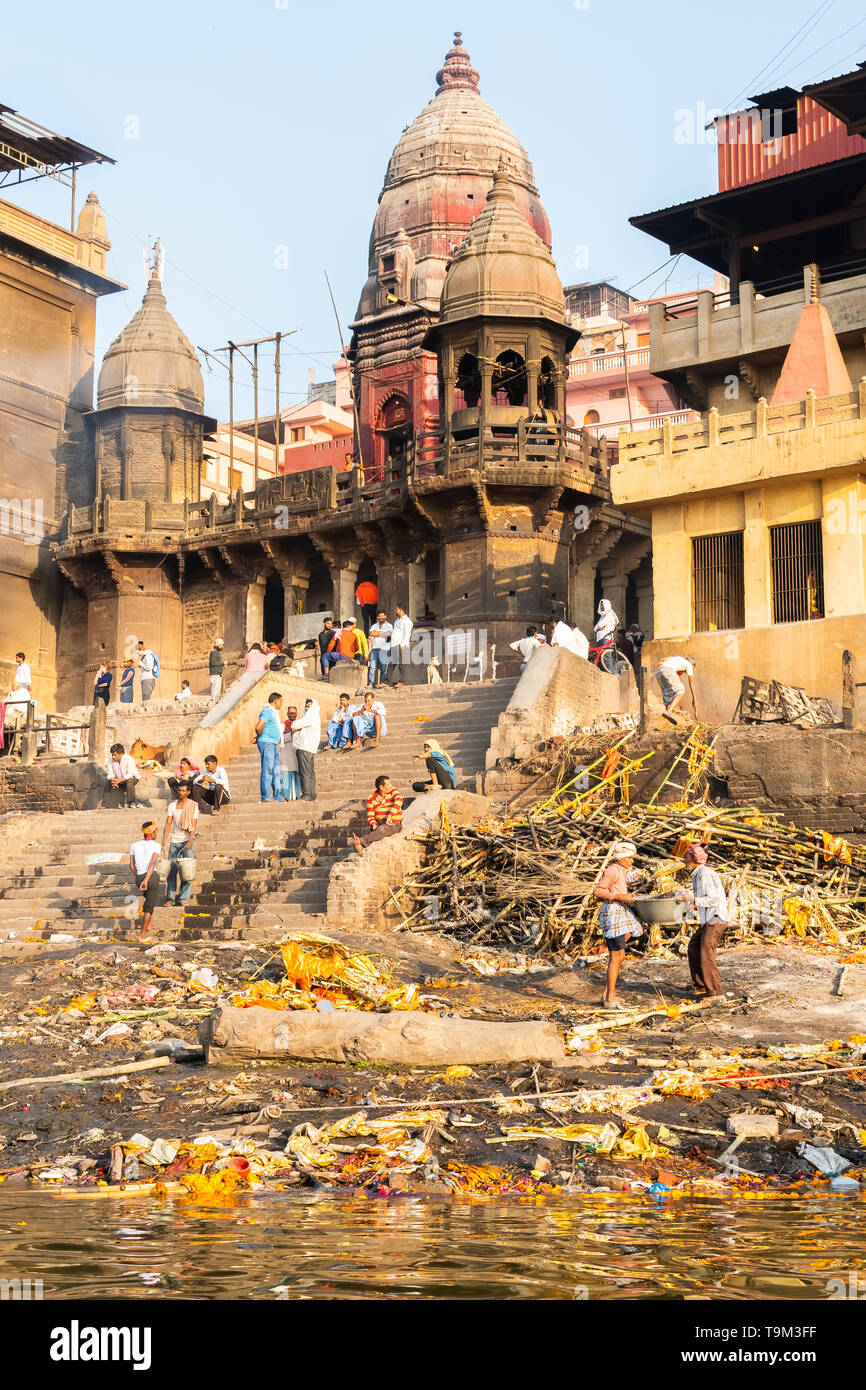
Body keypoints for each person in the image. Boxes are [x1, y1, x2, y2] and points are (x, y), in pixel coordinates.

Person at [592, 840, 644, 1009]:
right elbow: (598, 891)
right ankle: (610, 999)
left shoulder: (621, 871)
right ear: (621, 858)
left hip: (620, 914)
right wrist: (620, 897)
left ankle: (607, 993)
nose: (632, 861)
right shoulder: (612, 870)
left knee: (620, 956)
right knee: (615, 957)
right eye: (629, 858)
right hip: (613, 915)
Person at [678, 843, 729, 1000]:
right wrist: (693, 903)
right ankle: (700, 985)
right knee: (694, 947)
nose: (684, 859)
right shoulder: (697, 874)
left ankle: (715, 992)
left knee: (706, 953)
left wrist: (692, 899)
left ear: (695, 858)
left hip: (715, 918)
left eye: (687, 856)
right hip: (709, 919)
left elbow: (712, 899)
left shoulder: (704, 874)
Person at [161, 781, 198, 907]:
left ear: (188, 792)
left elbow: (194, 824)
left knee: (187, 871)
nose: (181, 793)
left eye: (183, 791)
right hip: (174, 841)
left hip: (187, 840)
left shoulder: (193, 805)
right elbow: (168, 823)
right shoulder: (172, 806)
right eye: (179, 790)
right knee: (172, 871)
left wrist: (190, 841)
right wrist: (164, 840)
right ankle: (170, 898)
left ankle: (183, 898)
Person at [352, 775, 404, 852]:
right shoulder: (371, 797)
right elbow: (370, 815)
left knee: (382, 829)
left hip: (393, 823)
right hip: (379, 824)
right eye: (388, 784)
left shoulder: (393, 791)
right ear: (381, 787)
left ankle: (362, 841)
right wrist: (373, 824)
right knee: (369, 831)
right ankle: (361, 850)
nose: (391, 786)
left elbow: (399, 801)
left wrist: (390, 816)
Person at [129, 821, 160, 941]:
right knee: (149, 907)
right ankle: (142, 935)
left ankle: (149, 924)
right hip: (151, 877)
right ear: (152, 833)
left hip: (139, 877)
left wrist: (139, 878)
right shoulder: (156, 845)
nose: (157, 832)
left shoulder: (134, 845)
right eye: (156, 830)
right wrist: (146, 880)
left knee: (148, 898)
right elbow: (152, 863)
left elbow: (131, 865)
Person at [255, 691, 285, 803]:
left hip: (273, 743)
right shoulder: (267, 710)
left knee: (275, 771)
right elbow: (259, 727)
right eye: (281, 701)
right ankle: (265, 797)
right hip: (267, 743)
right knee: (268, 770)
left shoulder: (273, 712)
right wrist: (259, 736)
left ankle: (278, 797)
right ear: (276, 701)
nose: (281, 704)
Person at [291, 697, 321, 801]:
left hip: (305, 748)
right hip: (310, 748)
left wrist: (296, 726)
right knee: (310, 772)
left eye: (309, 707)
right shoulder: (315, 718)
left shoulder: (311, 718)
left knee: (305, 772)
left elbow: (294, 724)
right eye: (306, 707)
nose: (307, 709)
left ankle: (307, 795)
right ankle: (311, 795)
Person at [655, 654, 697, 724]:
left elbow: (661, 661)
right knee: (681, 690)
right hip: (668, 670)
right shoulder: (688, 664)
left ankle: (666, 717)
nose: (692, 670)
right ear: (692, 664)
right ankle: (669, 711)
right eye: (693, 668)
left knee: (667, 692)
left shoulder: (677, 659)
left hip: (658, 672)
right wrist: (694, 698)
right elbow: (691, 682)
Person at [105, 743, 141, 808]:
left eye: (115, 755)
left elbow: (130, 774)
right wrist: (114, 781)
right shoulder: (110, 760)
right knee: (107, 782)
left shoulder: (129, 759)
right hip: (118, 780)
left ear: (121, 754)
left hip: (132, 778)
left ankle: (131, 802)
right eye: (112, 754)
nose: (113, 757)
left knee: (129, 781)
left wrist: (118, 781)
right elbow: (110, 773)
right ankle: (106, 804)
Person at [386, 604, 413, 686]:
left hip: (401, 645)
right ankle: (386, 682)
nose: (395, 611)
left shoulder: (407, 621)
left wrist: (402, 644)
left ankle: (402, 681)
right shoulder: (397, 620)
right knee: (391, 664)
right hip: (394, 644)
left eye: (396, 609)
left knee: (402, 665)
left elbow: (407, 633)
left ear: (401, 610)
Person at [279, 707, 302, 800]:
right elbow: (279, 739)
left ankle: (297, 795)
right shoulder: (283, 725)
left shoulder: (300, 724)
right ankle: (286, 796)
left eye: (294, 713)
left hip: (297, 752)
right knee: (285, 776)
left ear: (296, 714)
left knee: (298, 775)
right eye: (290, 713)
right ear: (287, 714)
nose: (292, 714)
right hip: (287, 754)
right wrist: (290, 735)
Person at [368, 610, 393, 687]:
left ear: (385, 616)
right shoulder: (374, 625)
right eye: (379, 616)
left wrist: (378, 633)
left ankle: (382, 683)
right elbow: (371, 633)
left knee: (384, 668)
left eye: (382, 616)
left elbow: (389, 634)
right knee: (372, 667)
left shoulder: (389, 626)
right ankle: (370, 684)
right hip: (374, 649)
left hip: (385, 649)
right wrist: (382, 633)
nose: (380, 617)